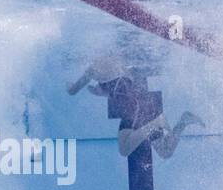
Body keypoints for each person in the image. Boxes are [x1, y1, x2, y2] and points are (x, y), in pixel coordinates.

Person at [67, 55, 203, 159]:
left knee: (125, 149)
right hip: (142, 105)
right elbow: (116, 87)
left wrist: (69, 86)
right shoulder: (119, 66)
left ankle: (157, 123)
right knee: (165, 151)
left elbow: (73, 90)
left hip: (133, 109)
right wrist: (97, 90)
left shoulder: (94, 69)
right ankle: (183, 121)